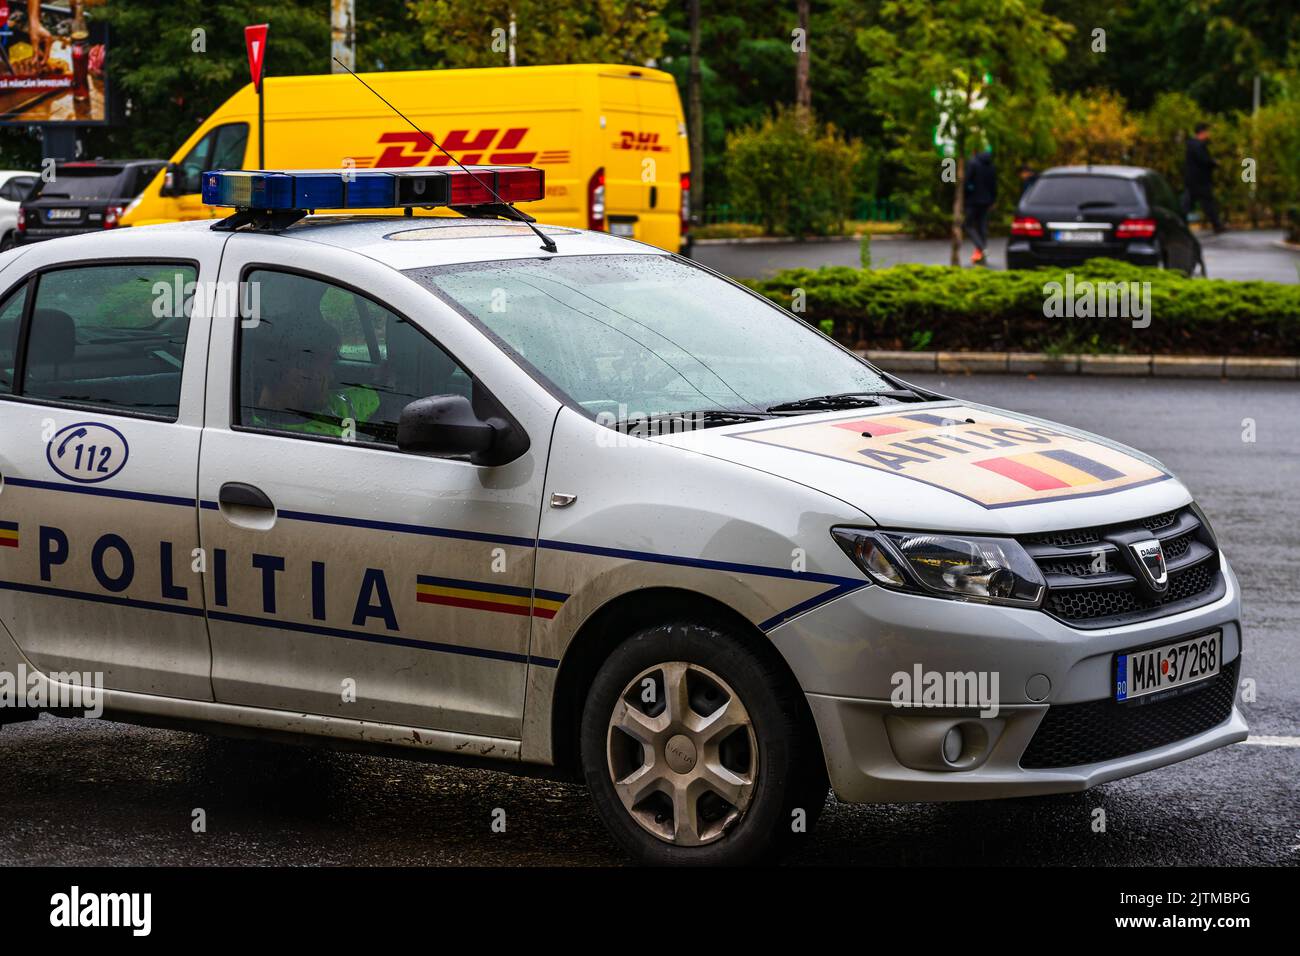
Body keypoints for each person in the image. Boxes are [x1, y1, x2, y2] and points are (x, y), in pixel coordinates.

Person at [250, 313, 380, 438]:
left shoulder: (338, 403)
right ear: (298, 373)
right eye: (326, 368)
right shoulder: (259, 436)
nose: (331, 376)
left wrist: (383, 378)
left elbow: (379, 393)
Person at [1182, 121, 1225, 234]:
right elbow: (1204, 160)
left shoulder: (1191, 144)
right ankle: (1217, 225)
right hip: (1200, 181)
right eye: (1207, 132)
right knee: (1207, 203)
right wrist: (1214, 163)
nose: (1209, 134)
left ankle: (1181, 224)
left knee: (1188, 204)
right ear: (1202, 132)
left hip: (1192, 180)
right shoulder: (1198, 145)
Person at [963, 149, 997, 265]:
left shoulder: (973, 163)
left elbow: (967, 182)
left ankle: (981, 248)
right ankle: (981, 256)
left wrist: (965, 196)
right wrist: (992, 200)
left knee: (968, 225)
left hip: (973, 200)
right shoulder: (991, 165)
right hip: (986, 201)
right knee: (982, 227)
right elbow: (994, 185)